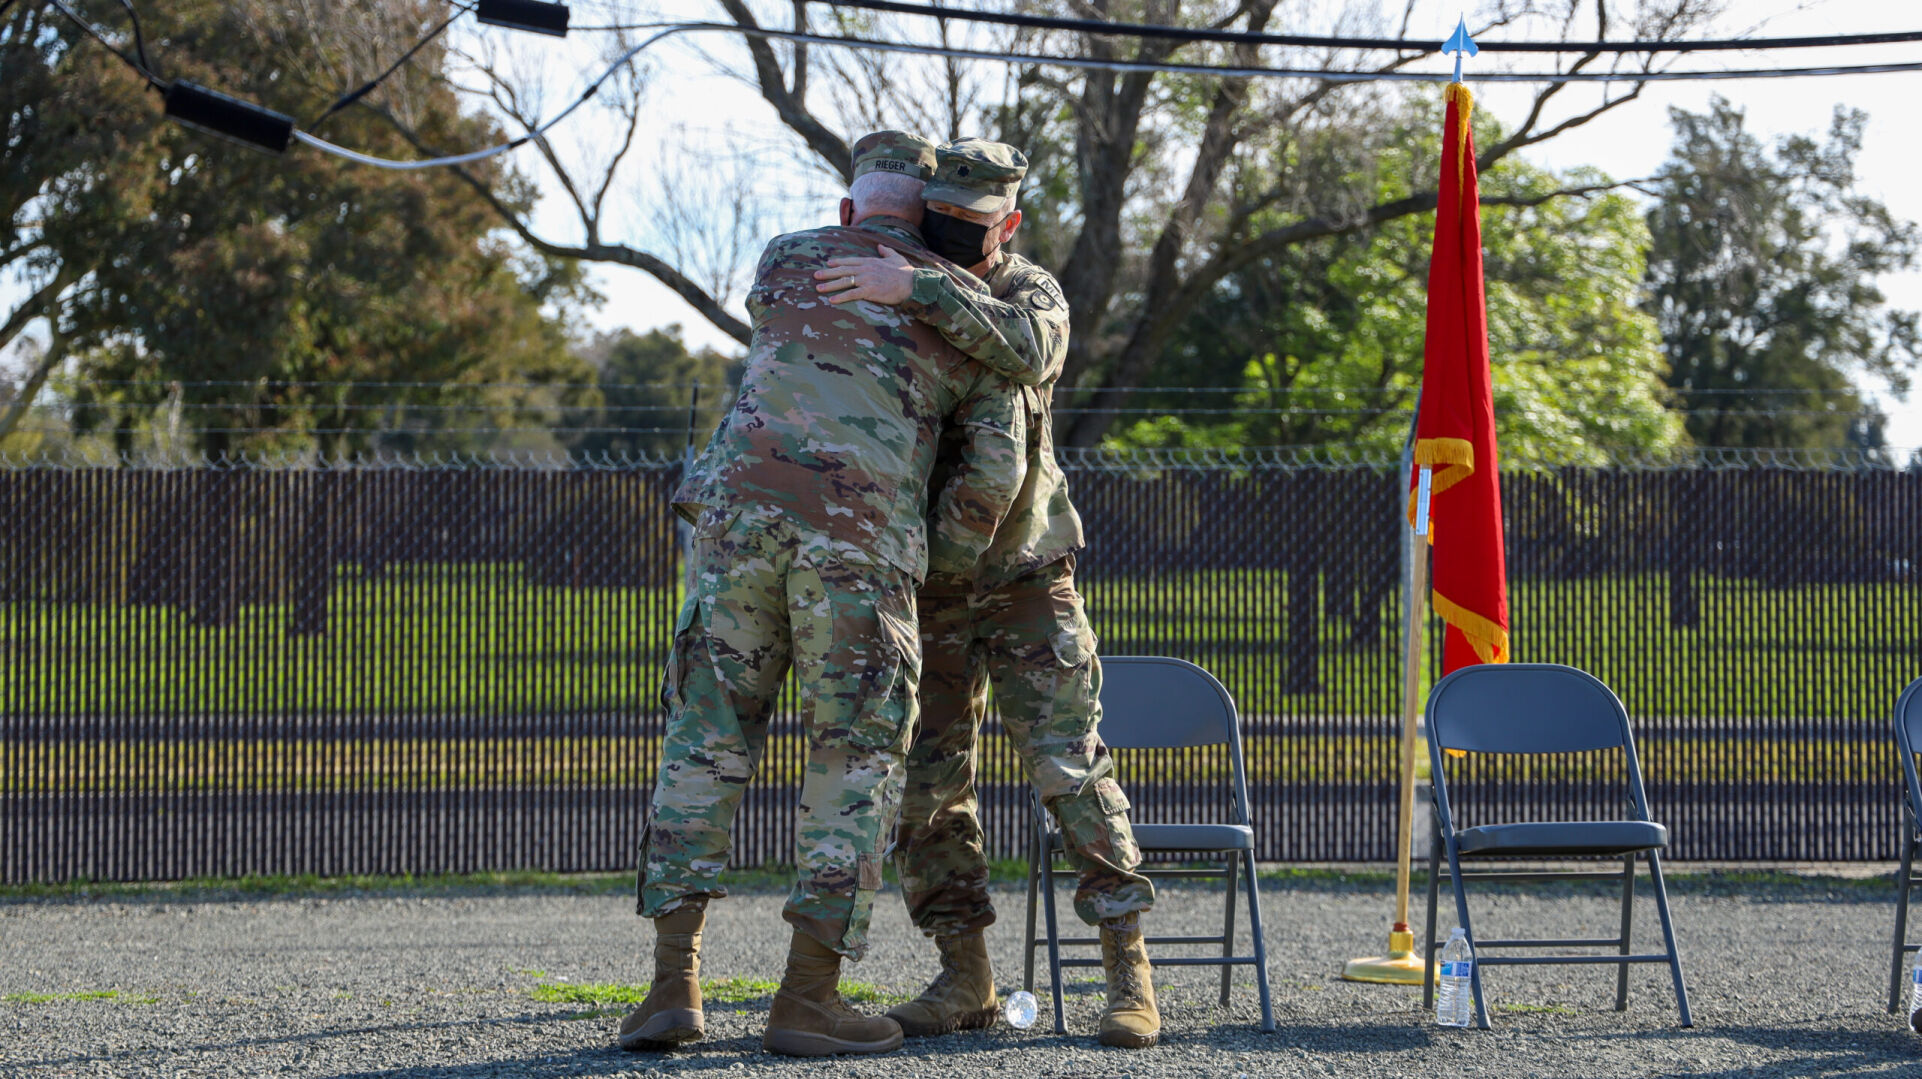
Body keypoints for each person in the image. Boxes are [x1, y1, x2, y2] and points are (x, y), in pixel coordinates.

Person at [618, 131, 1029, 1059]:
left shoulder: (786, 258)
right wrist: (944, 563)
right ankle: (807, 998)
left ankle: (669, 985)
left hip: (733, 528)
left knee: (705, 741)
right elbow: (994, 467)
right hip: (859, 544)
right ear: (933, 215)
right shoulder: (964, 303)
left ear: (850, 209)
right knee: (855, 760)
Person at [814, 137, 1160, 1049]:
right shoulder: (892, 275)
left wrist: (920, 288)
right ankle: (965, 974)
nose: (950, 239)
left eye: (971, 228)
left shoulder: (1023, 288)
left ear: (1006, 224)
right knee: (927, 785)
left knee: (1067, 764)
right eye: (938, 222)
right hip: (926, 582)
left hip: (1023, 575)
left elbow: (1029, 348)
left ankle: (1128, 973)